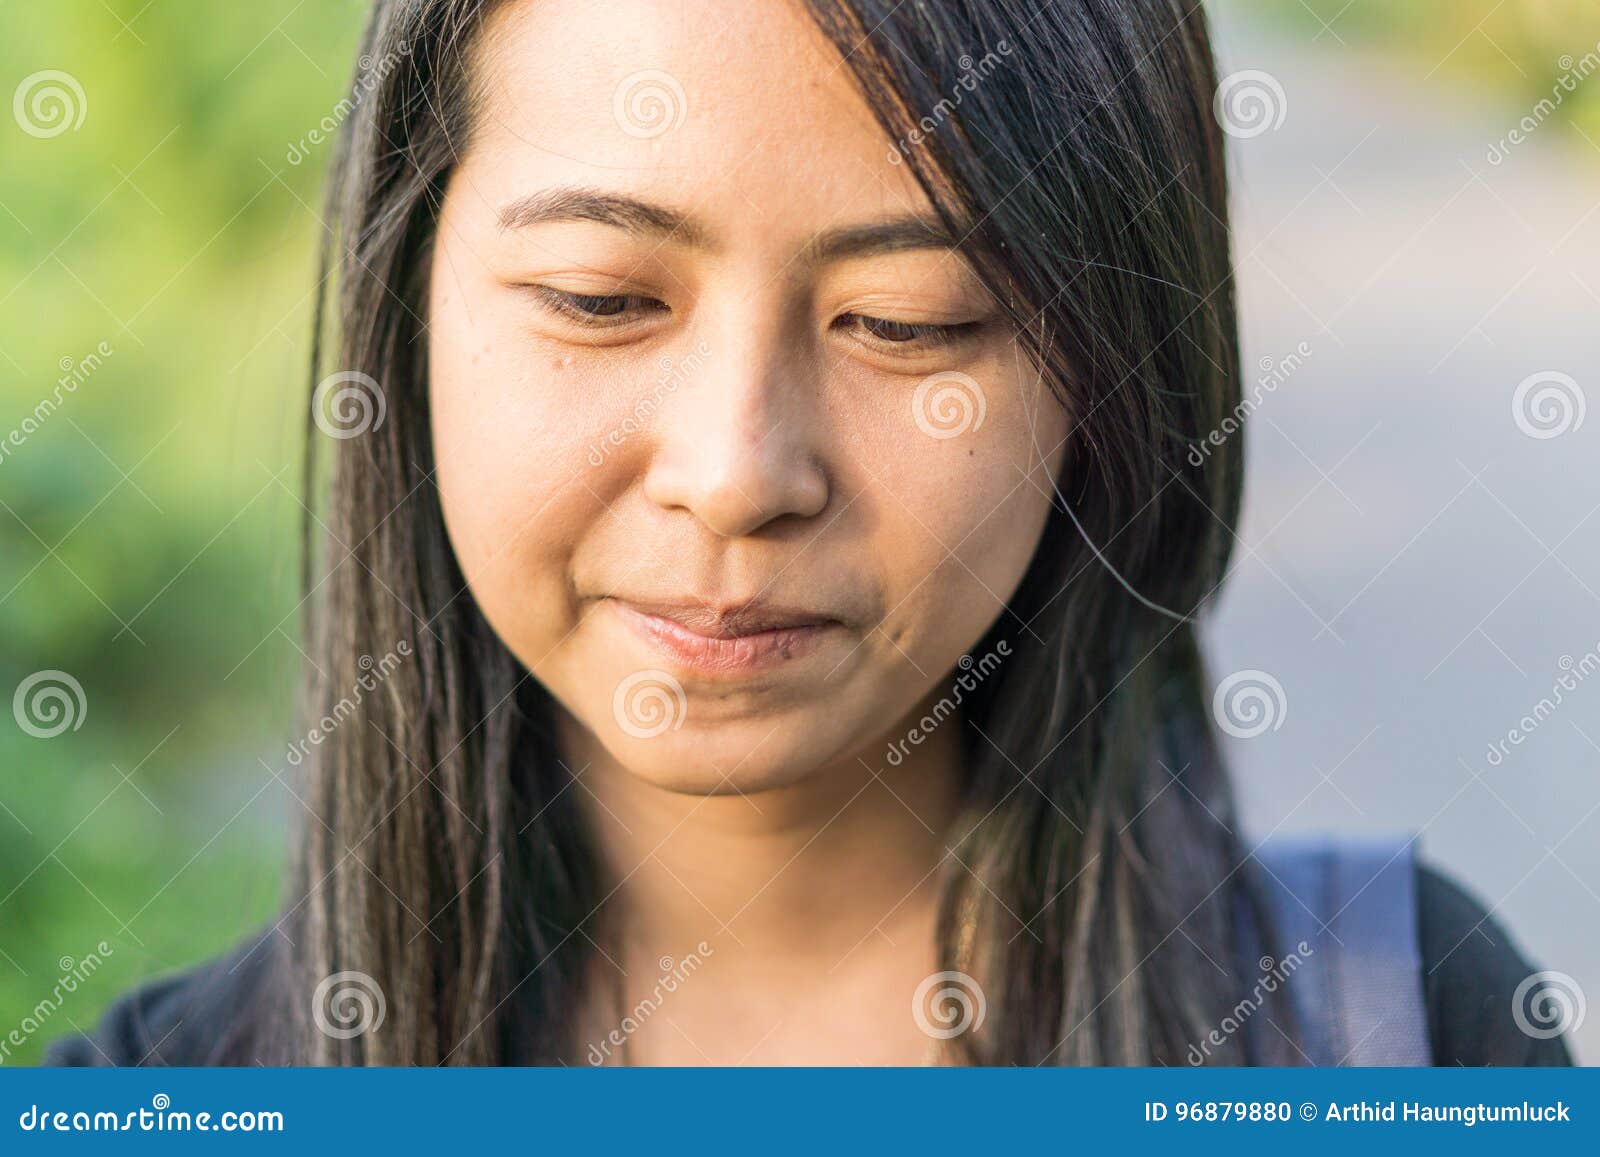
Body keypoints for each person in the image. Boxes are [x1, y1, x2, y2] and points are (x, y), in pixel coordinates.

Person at [46, 0, 1572, 1067]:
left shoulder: (1402, 1030)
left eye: (908, 322)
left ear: (1110, 379)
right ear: (412, 310)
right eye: (601, 297)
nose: (735, 472)